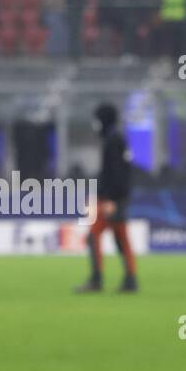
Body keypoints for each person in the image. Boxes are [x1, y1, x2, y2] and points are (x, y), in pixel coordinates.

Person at [76, 103, 137, 293]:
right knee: (121, 239)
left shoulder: (113, 141)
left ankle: (97, 280)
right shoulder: (118, 140)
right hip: (115, 198)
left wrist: (109, 199)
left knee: (95, 236)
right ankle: (130, 280)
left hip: (111, 200)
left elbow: (116, 174)